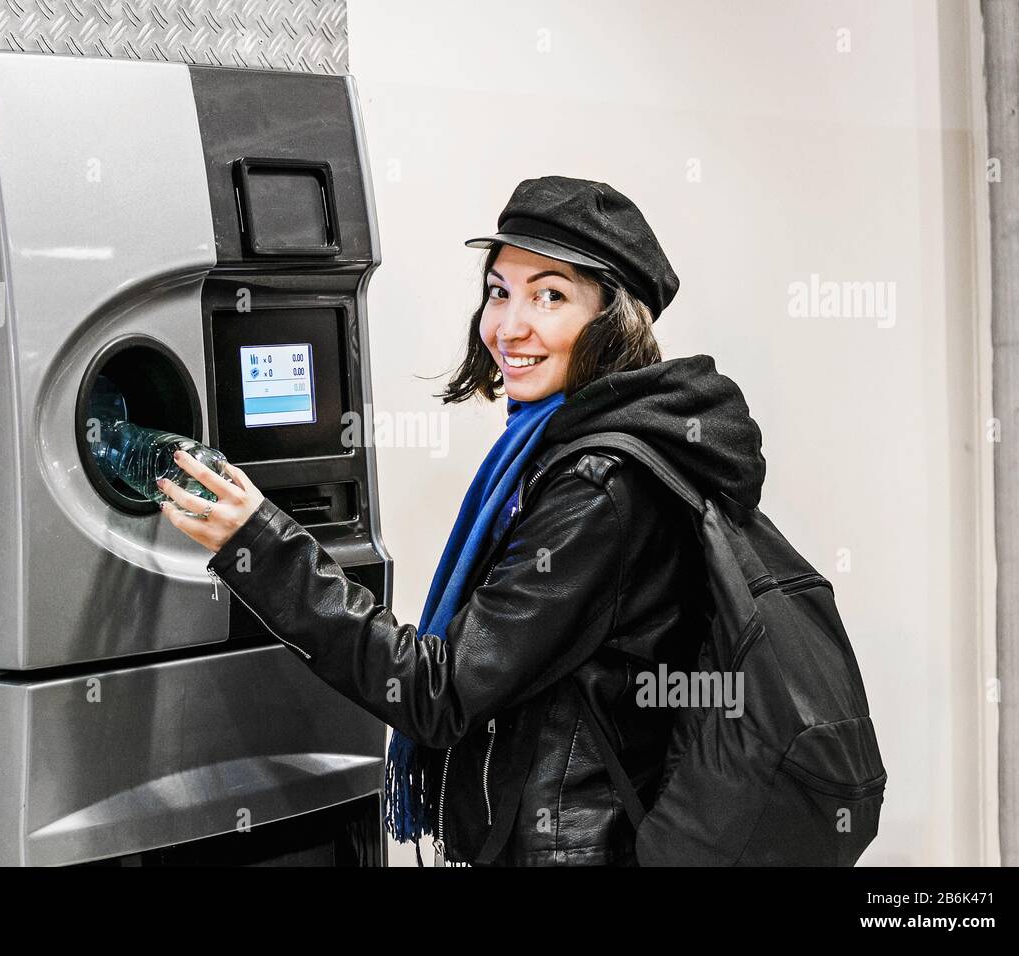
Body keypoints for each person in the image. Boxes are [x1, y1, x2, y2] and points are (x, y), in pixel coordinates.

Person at [158, 176, 766, 866]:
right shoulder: (578, 446)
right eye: (500, 290)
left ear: (615, 321)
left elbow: (437, 692)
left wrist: (260, 548)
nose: (510, 326)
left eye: (551, 295)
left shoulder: (598, 487)